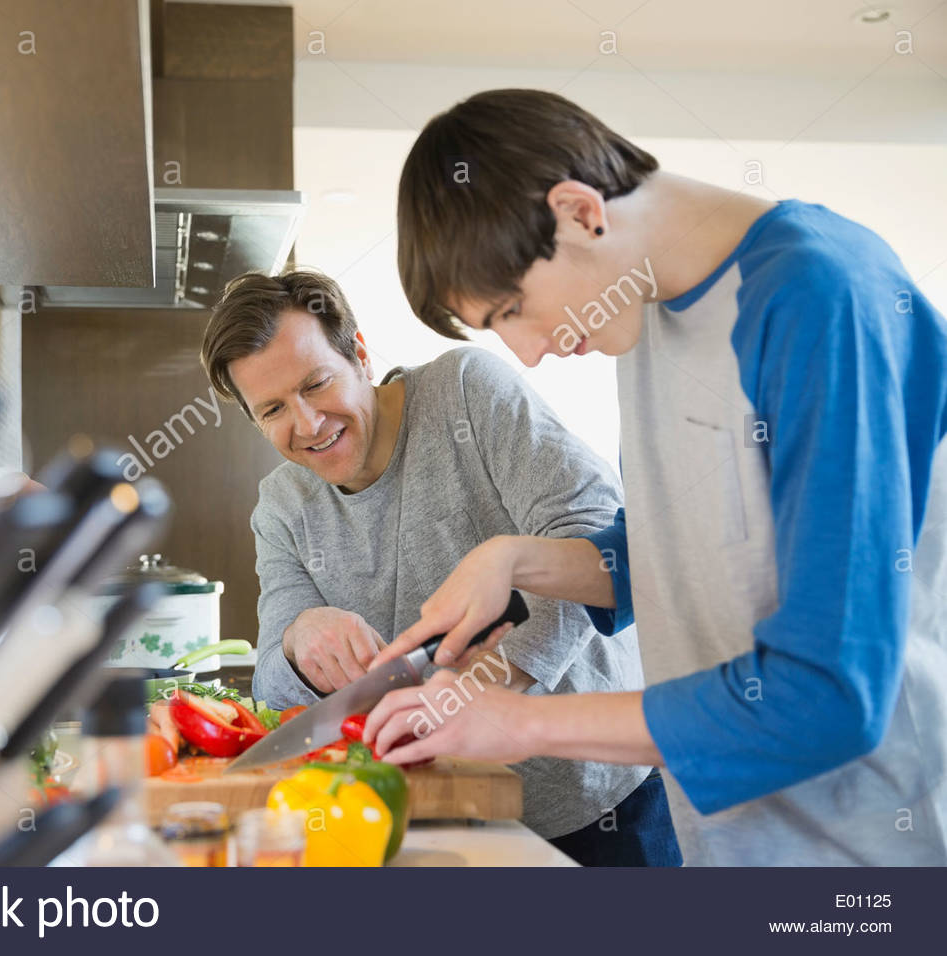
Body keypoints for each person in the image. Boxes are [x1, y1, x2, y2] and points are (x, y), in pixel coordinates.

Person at [366, 88, 947, 866]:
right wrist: (513, 558)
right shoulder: (639, 315)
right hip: (730, 843)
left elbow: (833, 693)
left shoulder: (821, 295)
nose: (528, 353)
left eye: (512, 310)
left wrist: (519, 722)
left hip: (871, 855)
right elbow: (686, 550)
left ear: (578, 212)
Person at [200, 270, 682, 865]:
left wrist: (482, 693)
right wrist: (299, 640)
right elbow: (273, 677)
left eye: (317, 384)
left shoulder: (466, 390)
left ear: (360, 355)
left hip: (595, 804)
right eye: (272, 408)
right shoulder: (281, 505)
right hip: (427, 815)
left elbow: (590, 539)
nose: (307, 424)